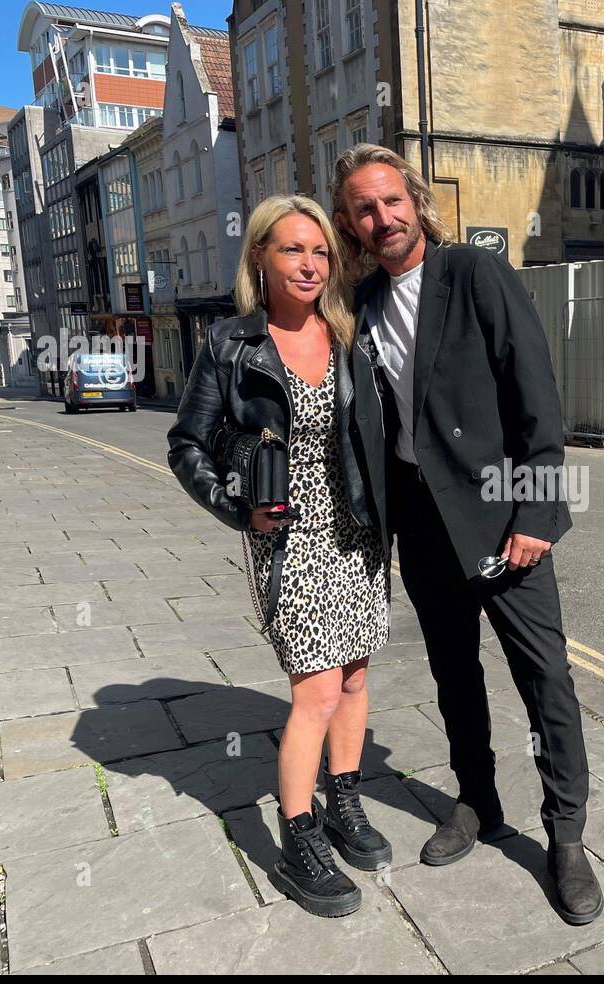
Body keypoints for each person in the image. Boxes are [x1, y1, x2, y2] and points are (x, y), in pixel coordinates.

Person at [331, 145, 603, 925]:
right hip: (423, 527)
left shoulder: (473, 274)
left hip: (502, 518)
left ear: (414, 201)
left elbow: (536, 394)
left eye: (390, 201)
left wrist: (536, 515)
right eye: (363, 209)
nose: (381, 218)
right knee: (455, 678)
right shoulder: (364, 304)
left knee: (545, 679)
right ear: (351, 224)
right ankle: (477, 801)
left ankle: (566, 835)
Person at [167, 194, 392, 919]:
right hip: (290, 538)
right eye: (293, 249)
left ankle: (343, 803)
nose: (310, 263)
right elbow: (186, 443)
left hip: (356, 532)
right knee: (315, 692)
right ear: (259, 256)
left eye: (320, 251)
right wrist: (237, 505)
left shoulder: (346, 330)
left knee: (354, 679)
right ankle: (296, 840)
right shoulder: (232, 343)